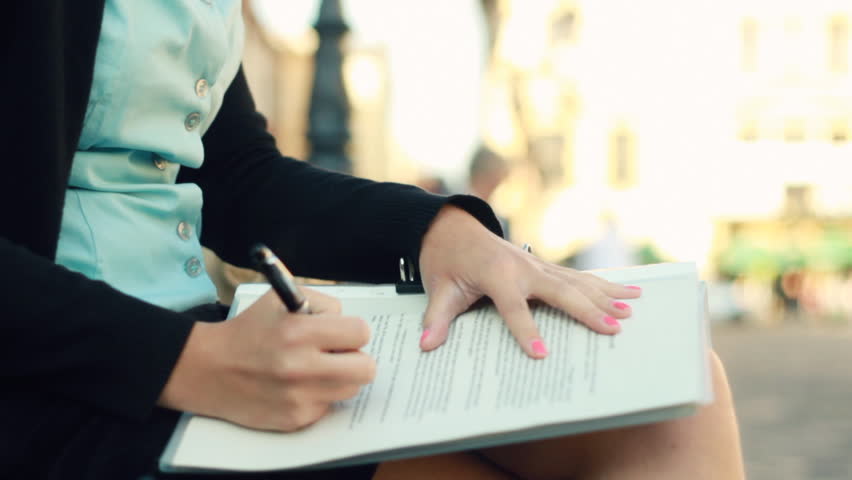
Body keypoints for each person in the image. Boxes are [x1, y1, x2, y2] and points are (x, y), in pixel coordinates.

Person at [1, 2, 744, 479]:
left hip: (198, 344)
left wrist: (434, 230)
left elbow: (237, 176)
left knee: (679, 399)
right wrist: (188, 362)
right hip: (67, 374)